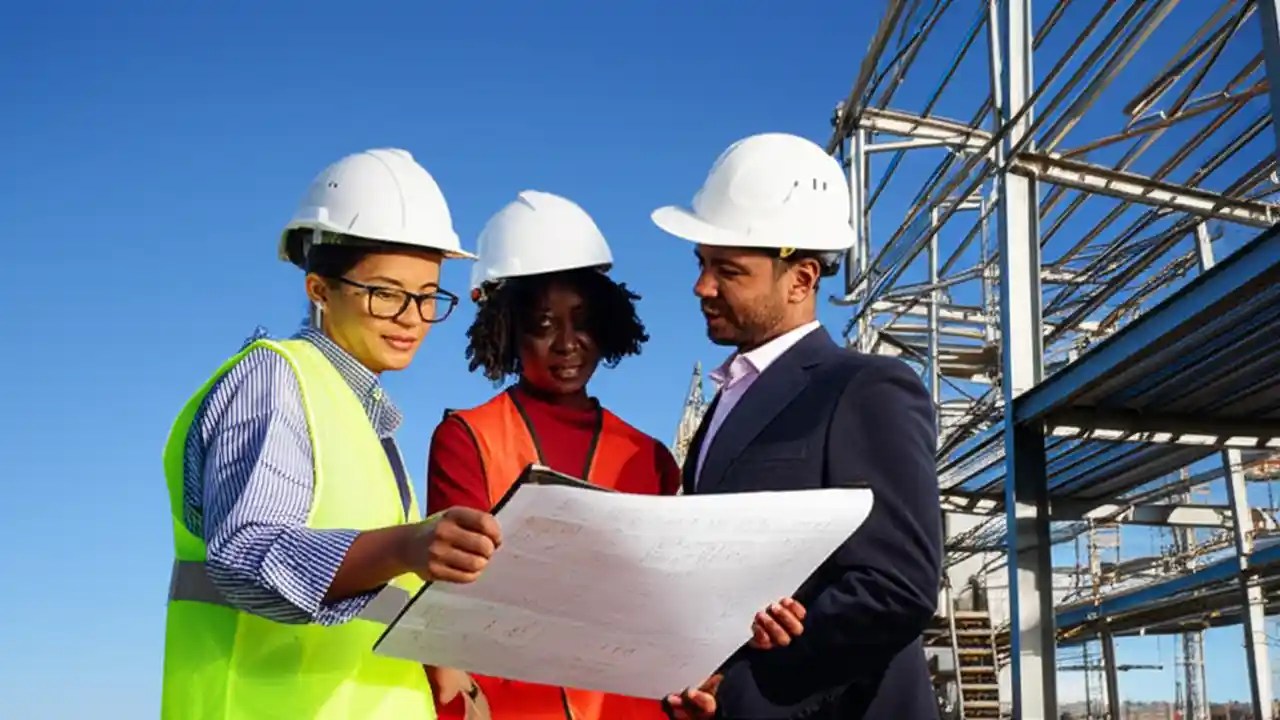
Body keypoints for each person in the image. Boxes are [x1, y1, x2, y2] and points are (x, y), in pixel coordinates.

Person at [424, 190, 802, 720]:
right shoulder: (467, 438)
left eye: (582, 320)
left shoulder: (648, 457)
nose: (567, 343)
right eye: (541, 324)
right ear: (503, 330)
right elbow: (454, 601)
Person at [159, 148, 504, 720]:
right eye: (386, 292)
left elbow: (373, 593)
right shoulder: (274, 381)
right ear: (319, 290)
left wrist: (438, 659)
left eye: (427, 295)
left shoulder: (367, 421)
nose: (412, 318)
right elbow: (244, 555)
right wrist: (406, 546)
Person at [651, 133, 943, 719]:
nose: (702, 287)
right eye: (702, 263)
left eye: (728, 271)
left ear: (802, 279)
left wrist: (743, 689)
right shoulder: (722, 409)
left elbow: (898, 587)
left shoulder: (865, 391)